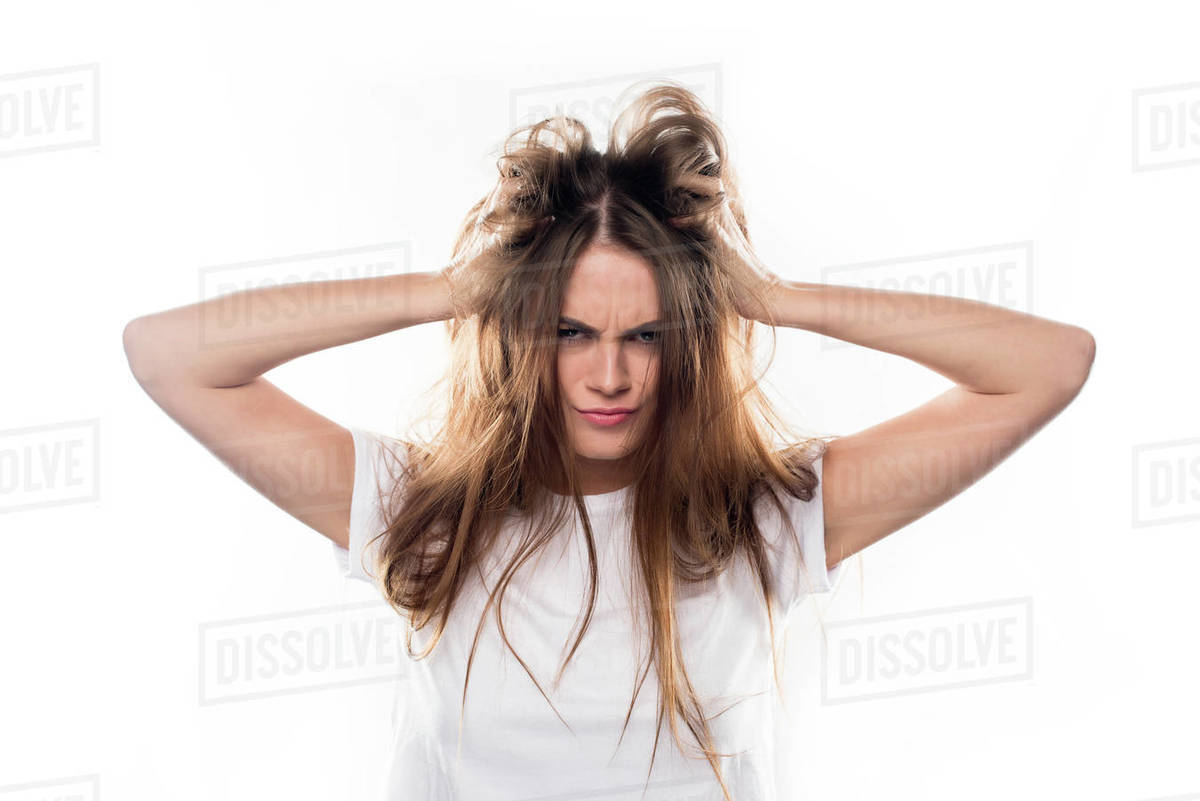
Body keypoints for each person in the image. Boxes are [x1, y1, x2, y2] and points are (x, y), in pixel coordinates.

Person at [122, 82, 1095, 801]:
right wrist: (456, 292)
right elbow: (169, 356)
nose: (610, 376)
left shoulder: (768, 520)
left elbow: (1047, 365)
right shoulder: (421, 514)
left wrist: (774, 301)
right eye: (571, 332)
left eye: (646, 336)